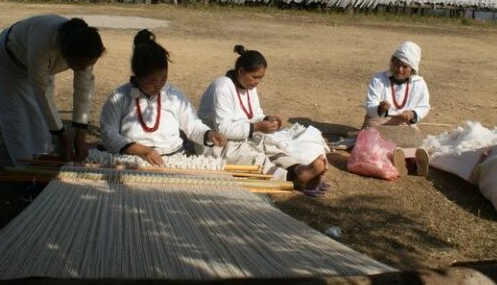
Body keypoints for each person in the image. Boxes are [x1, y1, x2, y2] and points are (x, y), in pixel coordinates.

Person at [197, 45, 327, 192]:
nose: (257, 82)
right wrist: (257, 127)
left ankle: (298, 169)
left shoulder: (248, 86)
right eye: (255, 77)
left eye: (260, 78)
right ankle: (292, 179)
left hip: (241, 136)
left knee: (268, 145)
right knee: (251, 156)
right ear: (241, 71)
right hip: (216, 142)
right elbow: (224, 129)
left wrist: (267, 119)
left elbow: (255, 115)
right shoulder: (221, 88)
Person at [0, 15, 105, 165]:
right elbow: (43, 94)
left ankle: (43, 156)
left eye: (88, 65)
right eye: (79, 65)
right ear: (65, 53)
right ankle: (26, 169)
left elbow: (84, 90)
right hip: (8, 63)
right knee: (16, 118)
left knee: (40, 119)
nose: (84, 69)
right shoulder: (43, 45)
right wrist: (63, 138)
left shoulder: (82, 49)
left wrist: (80, 135)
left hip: (38, 66)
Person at [99, 29, 227, 165]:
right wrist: (142, 150)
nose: (158, 86)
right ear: (137, 75)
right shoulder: (119, 97)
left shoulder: (174, 95)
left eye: (163, 79)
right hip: (133, 159)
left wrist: (209, 134)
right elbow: (108, 133)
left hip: (173, 159)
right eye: (151, 81)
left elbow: (192, 125)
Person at [363, 40, 431, 176]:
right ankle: (398, 160)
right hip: (379, 121)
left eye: (405, 66)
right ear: (391, 62)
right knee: (371, 143)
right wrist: (380, 108)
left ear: (412, 68)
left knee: (414, 139)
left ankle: (413, 162)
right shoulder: (378, 79)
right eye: (397, 64)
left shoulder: (419, 83)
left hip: (404, 124)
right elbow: (370, 105)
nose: (399, 69)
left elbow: (424, 106)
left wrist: (413, 114)